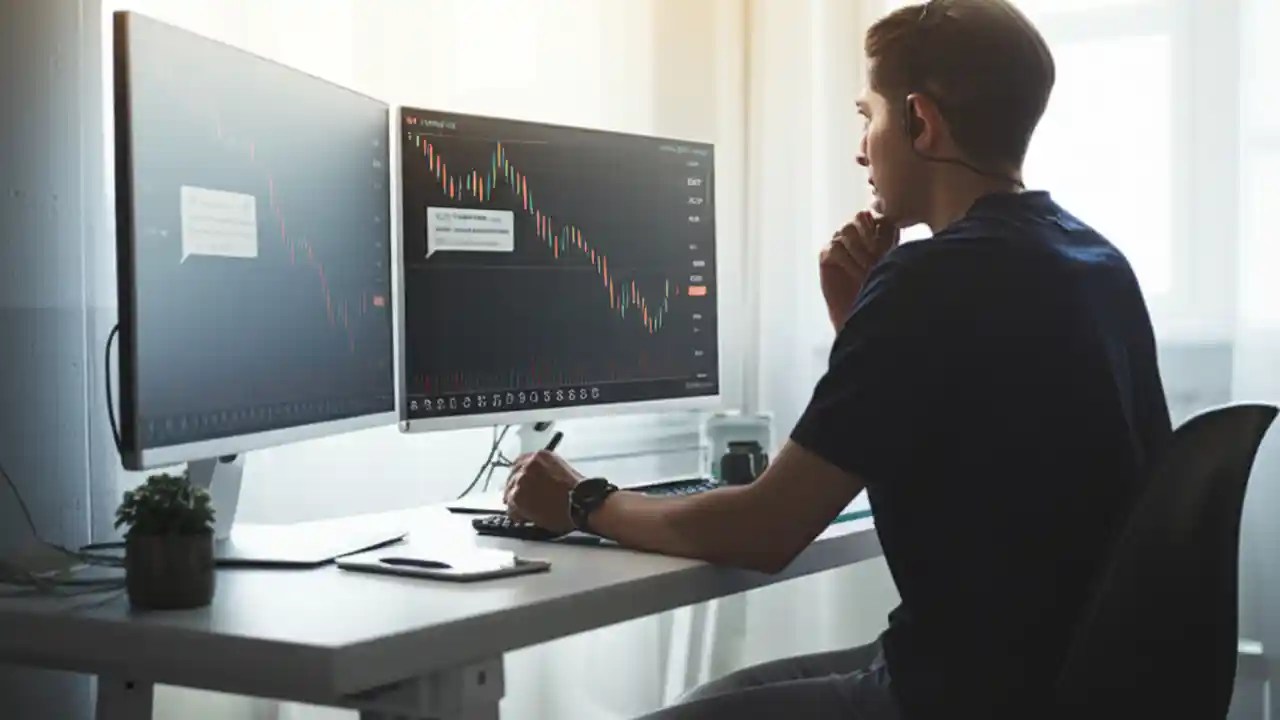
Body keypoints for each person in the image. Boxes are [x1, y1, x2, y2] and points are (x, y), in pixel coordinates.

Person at [503, 0, 1172, 717]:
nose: (862, 150)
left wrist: (583, 502)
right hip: (1073, 679)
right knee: (715, 697)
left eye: (868, 117)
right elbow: (980, 433)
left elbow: (767, 530)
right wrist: (857, 322)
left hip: (959, 693)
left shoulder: (926, 281)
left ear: (920, 121)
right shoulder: (1095, 261)